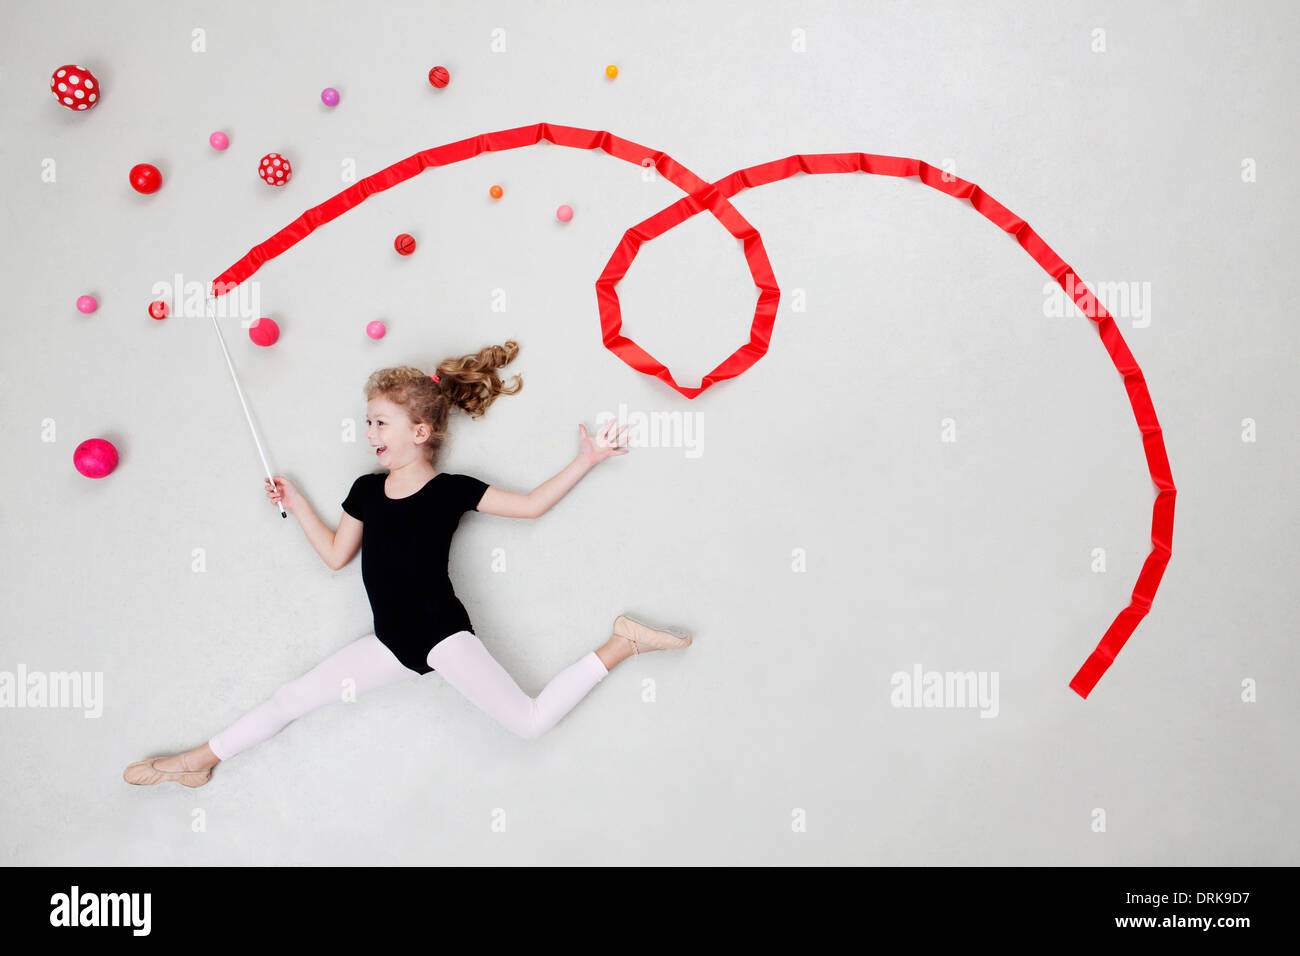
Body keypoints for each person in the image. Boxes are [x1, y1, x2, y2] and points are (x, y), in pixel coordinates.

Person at [123, 340, 691, 788]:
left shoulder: (452, 490)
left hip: (440, 634)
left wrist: (586, 460)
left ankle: (622, 642)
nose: (369, 433)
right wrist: (296, 504)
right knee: (291, 698)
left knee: (529, 722)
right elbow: (335, 557)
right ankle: (195, 762)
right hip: (392, 641)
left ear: (419, 433)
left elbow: (533, 505)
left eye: (379, 423)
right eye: (367, 422)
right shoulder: (366, 492)